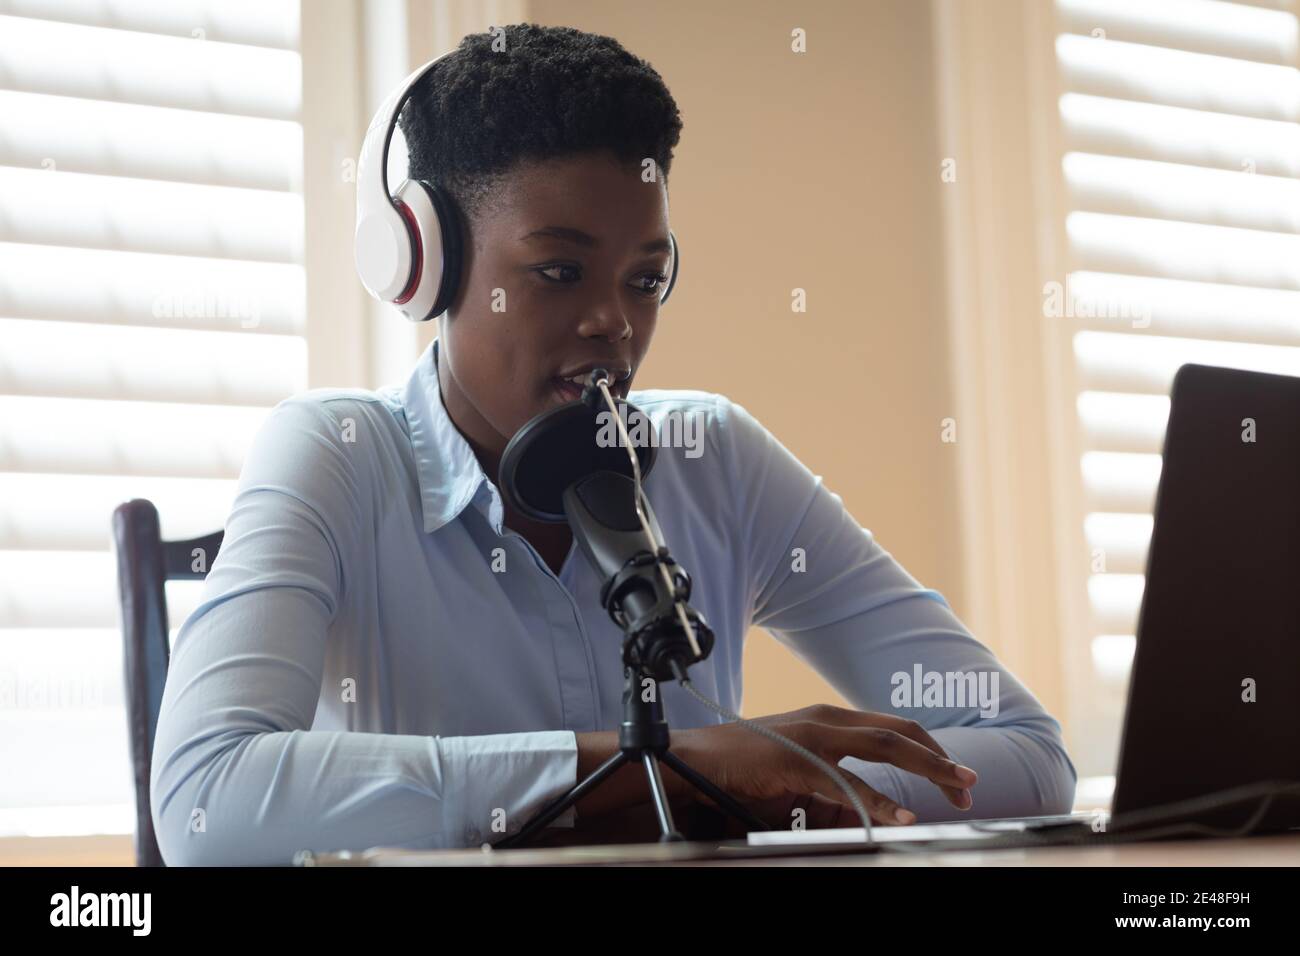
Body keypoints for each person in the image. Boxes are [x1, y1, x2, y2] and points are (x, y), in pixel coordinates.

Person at [151, 23, 1076, 866]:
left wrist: (757, 793)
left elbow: (1028, 757)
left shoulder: (713, 457)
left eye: (646, 279)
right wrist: (662, 775)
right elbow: (206, 805)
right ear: (422, 267)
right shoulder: (338, 454)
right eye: (557, 271)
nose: (613, 324)